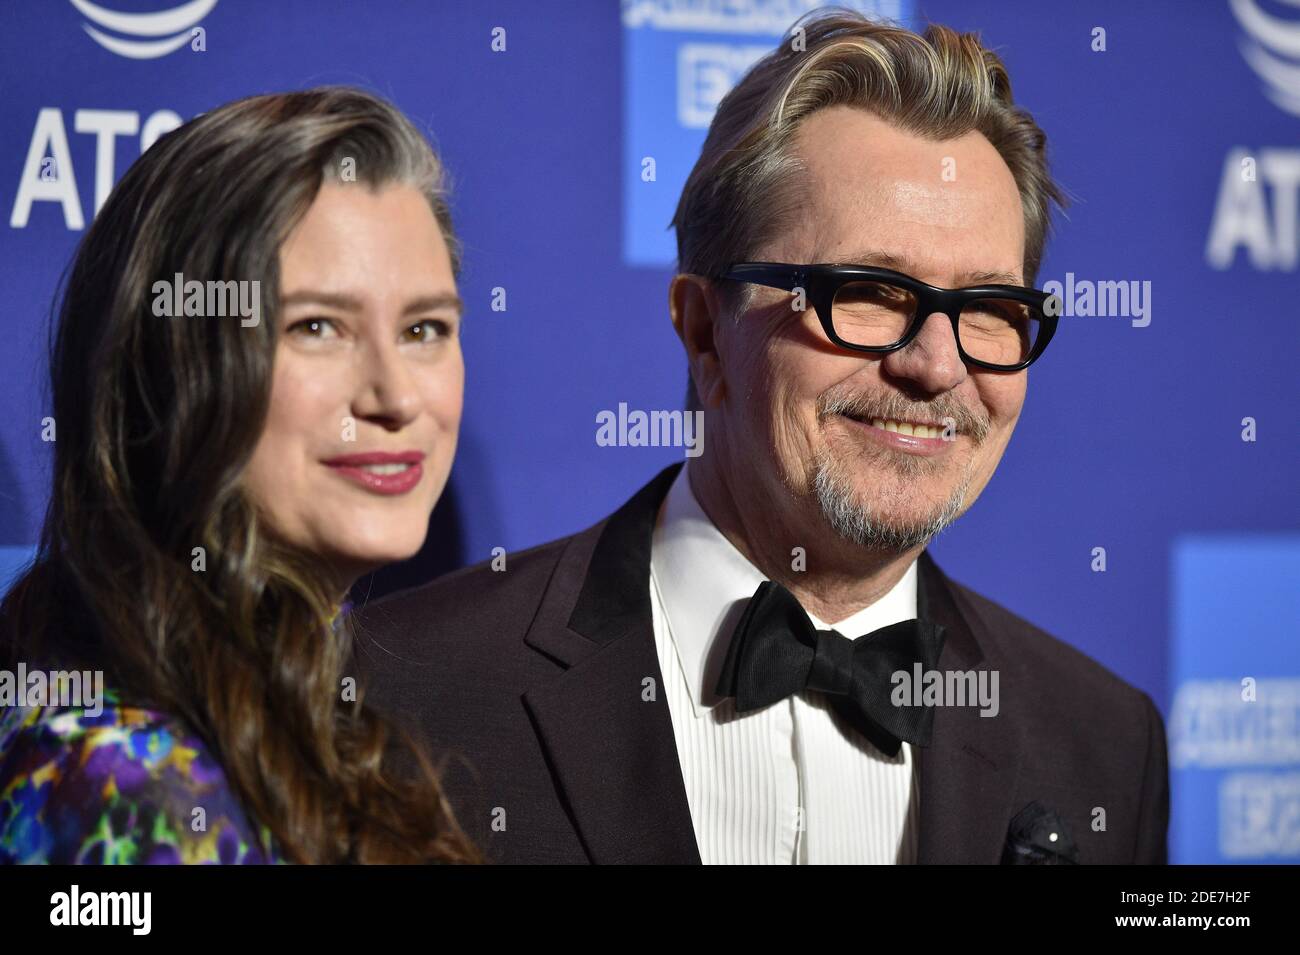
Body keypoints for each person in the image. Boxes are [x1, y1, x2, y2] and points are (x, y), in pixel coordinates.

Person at [354, 12, 1169, 864]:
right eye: (871, 292)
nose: (935, 365)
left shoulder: (1104, 745)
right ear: (706, 331)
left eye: (991, 309)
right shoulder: (403, 695)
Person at [0, 87, 478, 864]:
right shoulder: (121, 780)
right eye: (316, 326)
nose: (395, 396)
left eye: (425, 328)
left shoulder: (305, 724)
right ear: (170, 367)